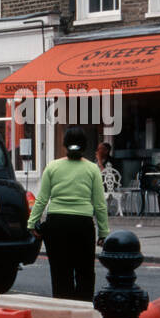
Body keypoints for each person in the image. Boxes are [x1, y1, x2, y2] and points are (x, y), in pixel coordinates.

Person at [28, 127, 110, 301]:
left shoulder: (52, 167)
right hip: (83, 225)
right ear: (85, 146)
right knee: (85, 273)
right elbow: (100, 205)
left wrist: (31, 223)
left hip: (56, 225)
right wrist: (103, 233)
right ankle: (84, 313)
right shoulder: (92, 169)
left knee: (60, 273)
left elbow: (42, 199)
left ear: (64, 145)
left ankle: (64, 315)